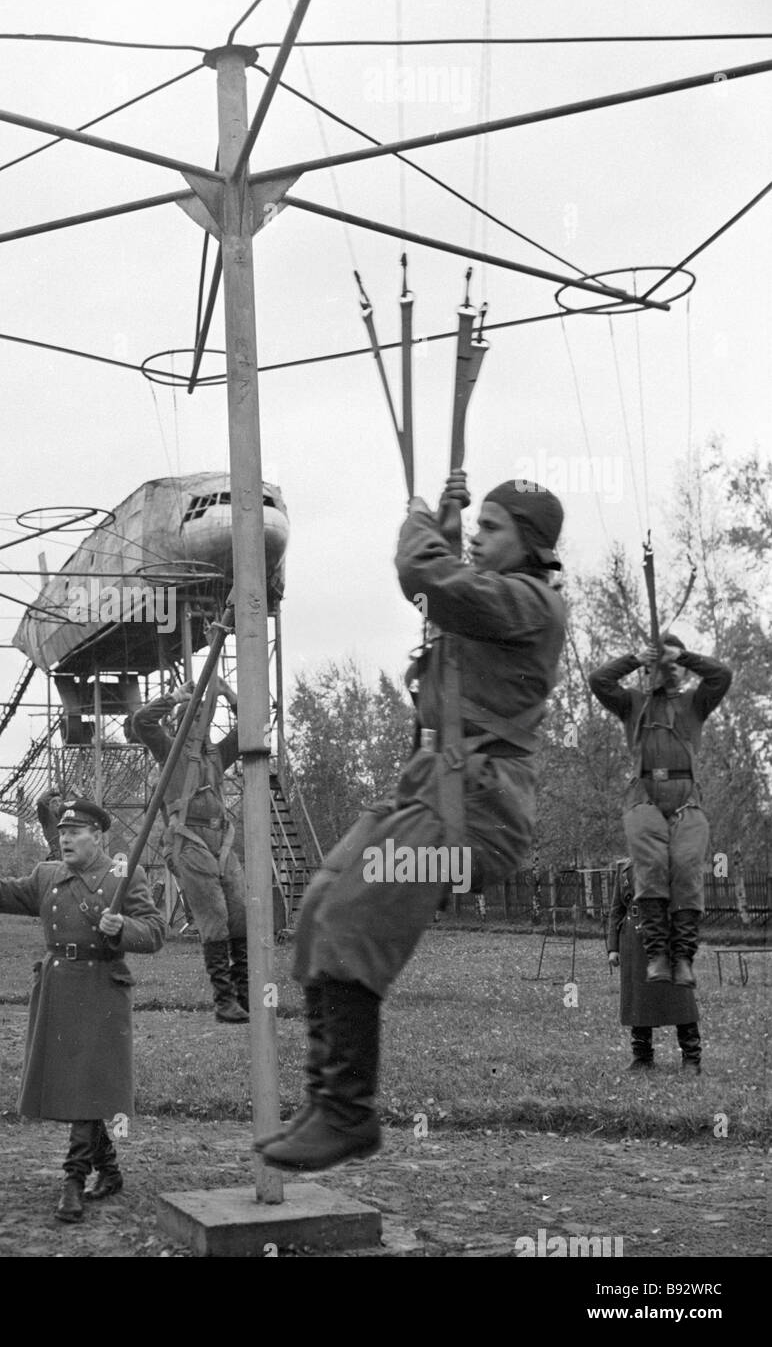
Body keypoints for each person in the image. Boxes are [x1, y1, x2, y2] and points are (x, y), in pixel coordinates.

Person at [259, 474, 567, 1171]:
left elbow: (424, 577)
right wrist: (451, 534)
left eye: (493, 528)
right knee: (320, 906)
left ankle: (348, 1114)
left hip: (475, 815)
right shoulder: (494, 599)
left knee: (351, 920)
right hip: (434, 793)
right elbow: (448, 587)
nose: (480, 538)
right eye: (479, 527)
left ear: (531, 545)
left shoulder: (531, 604)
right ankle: (327, 1102)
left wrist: (423, 522)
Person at [0, 798, 164, 1224]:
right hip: (58, 988)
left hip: (101, 989)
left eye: (75, 833)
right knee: (77, 1084)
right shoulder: (47, 876)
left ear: (98, 837)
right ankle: (110, 1170)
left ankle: (73, 1179)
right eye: (62, 833)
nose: (65, 840)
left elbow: (154, 933)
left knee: (85, 1084)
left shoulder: (124, 875)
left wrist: (123, 929)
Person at [589, 635, 732, 988]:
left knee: (686, 867)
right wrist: (637, 657)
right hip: (644, 796)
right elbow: (598, 680)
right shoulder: (632, 703)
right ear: (648, 671)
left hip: (686, 798)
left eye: (672, 666)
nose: (666, 671)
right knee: (650, 866)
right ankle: (657, 955)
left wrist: (682, 655)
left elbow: (722, 675)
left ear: (680, 670)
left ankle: (683, 957)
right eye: (659, 665)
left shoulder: (695, 702)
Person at [132, 677, 249, 1023]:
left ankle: (245, 995)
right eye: (194, 716)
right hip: (188, 840)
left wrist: (229, 694)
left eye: (204, 716)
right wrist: (174, 697)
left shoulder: (216, 755)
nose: (201, 722)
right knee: (214, 916)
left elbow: (250, 729)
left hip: (221, 840)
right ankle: (224, 1000)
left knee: (240, 914)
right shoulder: (169, 750)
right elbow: (142, 721)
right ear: (182, 723)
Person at [606, 860, 701, 1074]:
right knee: (638, 1000)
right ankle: (642, 1057)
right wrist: (613, 947)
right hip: (633, 941)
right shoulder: (624, 868)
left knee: (680, 998)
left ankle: (691, 1058)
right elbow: (616, 910)